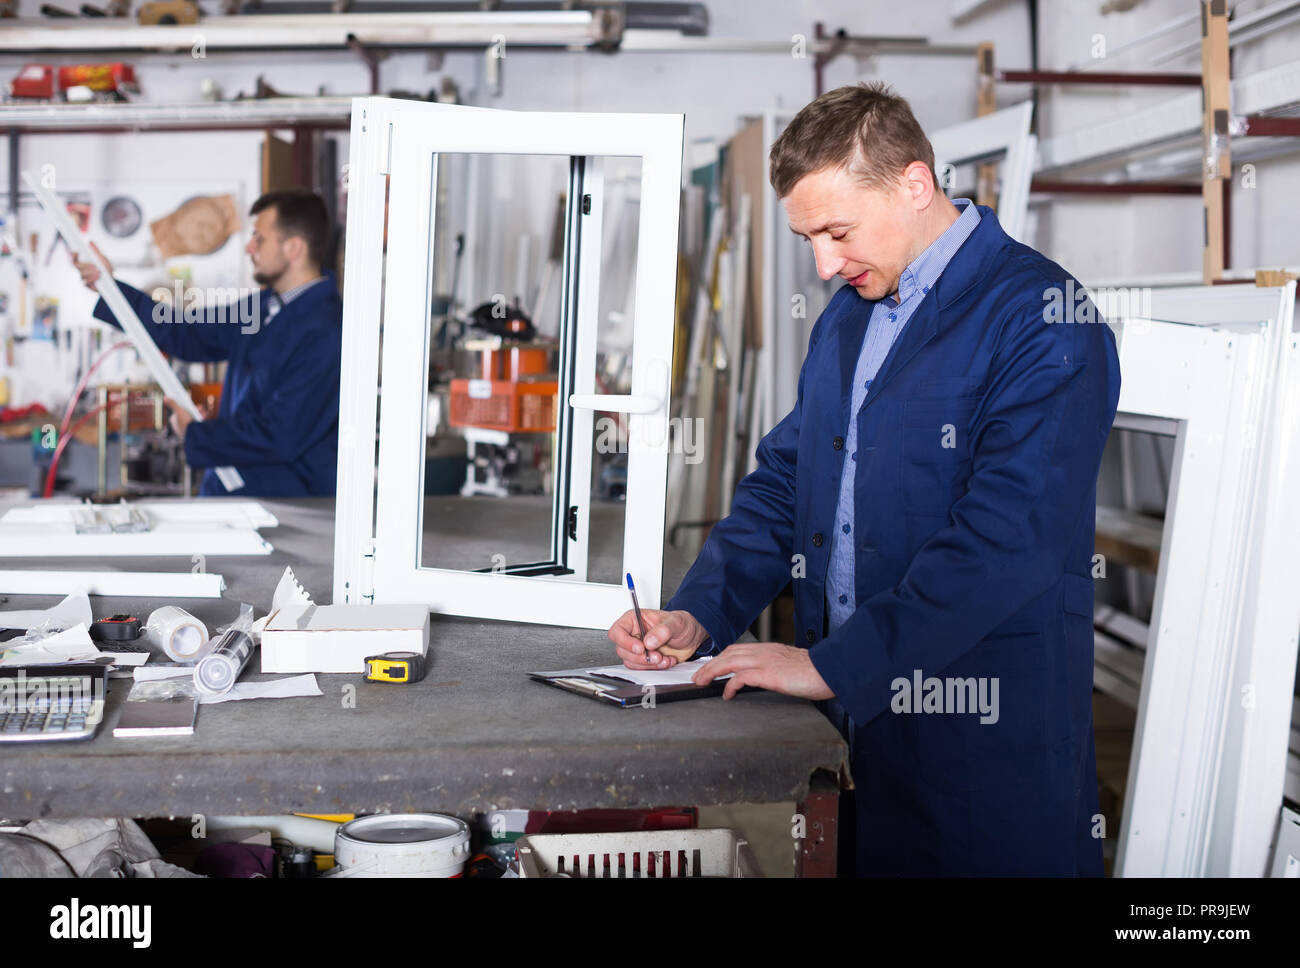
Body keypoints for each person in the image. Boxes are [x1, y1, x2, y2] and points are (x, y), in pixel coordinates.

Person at [608, 82, 1121, 876]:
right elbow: (787, 479)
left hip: (979, 740)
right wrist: (698, 613)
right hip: (853, 731)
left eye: (836, 230)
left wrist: (830, 665)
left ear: (915, 184)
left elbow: (1005, 540)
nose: (822, 262)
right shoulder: (851, 312)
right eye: (807, 237)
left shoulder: (1043, 316)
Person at [73, 189, 342, 497]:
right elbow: (186, 332)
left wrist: (196, 433)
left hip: (285, 504)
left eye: (259, 238)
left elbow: (281, 433)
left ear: (294, 248)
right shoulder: (265, 306)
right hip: (234, 490)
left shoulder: (327, 330)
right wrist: (109, 288)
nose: (248, 247)